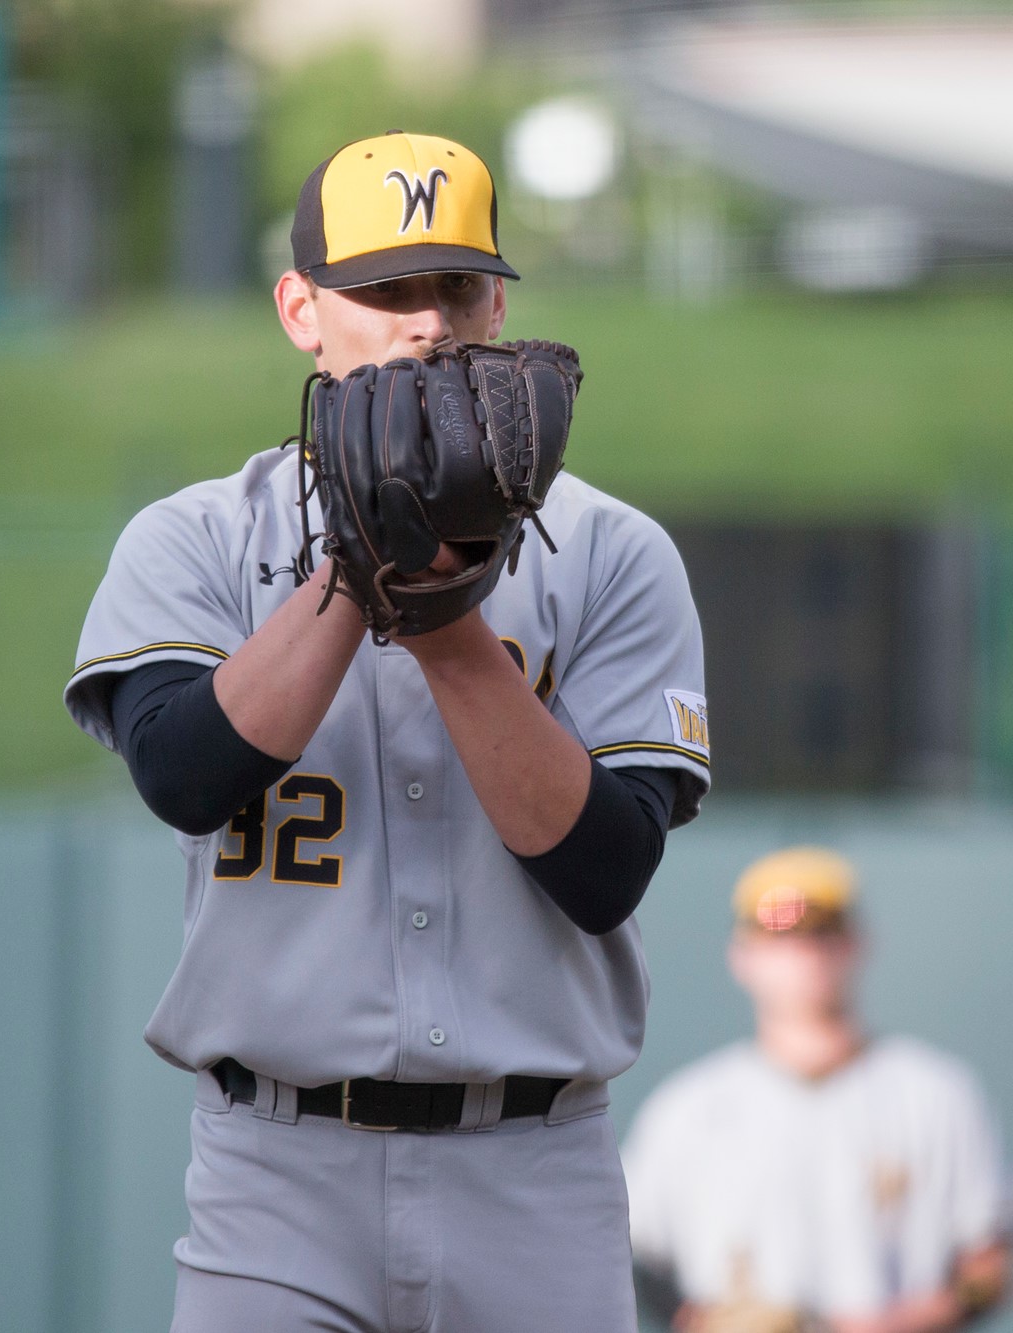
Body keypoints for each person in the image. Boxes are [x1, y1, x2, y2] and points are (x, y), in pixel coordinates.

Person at [63, 130, 710, 1331]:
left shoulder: (613, 551)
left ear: (499, 304)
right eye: (385, 290)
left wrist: (444, 613)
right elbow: (183, 772)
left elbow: (604, 868)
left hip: (534, 1173)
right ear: (301, 310)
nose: (425, 324)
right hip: (275, 1171)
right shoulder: (195, 539)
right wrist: (358, 576)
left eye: (453, 286)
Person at [620, 847, 1013, 1333]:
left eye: (821, 935)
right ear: (741, 956)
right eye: (778, 939)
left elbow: (990, 1267)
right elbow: (633, 1252)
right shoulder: (688, 1107)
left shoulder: (935, 1093)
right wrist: (702, 1321)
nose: (803, 956)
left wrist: (880, 1326)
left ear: (856, 943)